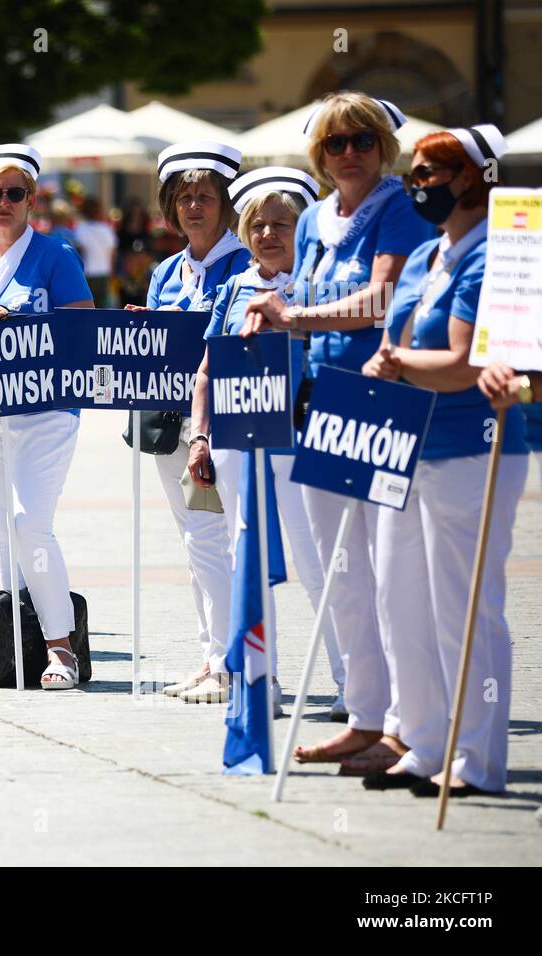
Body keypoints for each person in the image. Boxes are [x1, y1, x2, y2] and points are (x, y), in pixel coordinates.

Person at [244, 92, 436, 773]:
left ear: (384, 146)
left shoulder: (401, 210)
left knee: (393, 574)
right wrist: (268, 315)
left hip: (384, 399)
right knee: (339, 572)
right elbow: (306, 298)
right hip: (322, 402)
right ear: (317, 156)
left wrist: (294, 318)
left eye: (361, 140)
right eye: (334, 144)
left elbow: (382, 301)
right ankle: (363, 715)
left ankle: (412, 728)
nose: (348, 153)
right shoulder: (320, 215)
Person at [358, 125, 528, 796]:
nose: (417, 180)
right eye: (415, 170)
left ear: (471, 177)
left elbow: (462, 365)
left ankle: (478, 761)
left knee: (466, 608)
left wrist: (398, 363)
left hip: (469, 447)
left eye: (433, 170)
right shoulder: (430, 252)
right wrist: (388, 360)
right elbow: (394, 339)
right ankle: (425, 742)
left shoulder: (495, 255)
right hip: (403, 444)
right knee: (400, 599)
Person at [186, 166, 342, 716]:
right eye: (258, 224)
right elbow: (207, 369)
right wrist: (199, 437)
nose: (269, 234)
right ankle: (260, 680)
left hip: (302, 445)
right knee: (246, 562)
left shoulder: (322, 289)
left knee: (319, 562)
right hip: (236, 444)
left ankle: (355, 687)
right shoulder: (232, 287)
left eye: (282, 224)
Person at [0, 144, 95, 688]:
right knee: (0, 532)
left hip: (46, 410)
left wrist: (21, 326)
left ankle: (63, 650)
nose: (4, 202)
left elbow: (82, 329)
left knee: (29, 524)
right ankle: (19, 637)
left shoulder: (56, 256)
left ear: (31, 199)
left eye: (15, 192)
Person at [132, 139, 250, 705]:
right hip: (168, 420)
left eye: (205, 196)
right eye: (183, 198)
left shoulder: (244, 263)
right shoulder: (166, 270)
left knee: (214, 538)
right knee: (193, 539)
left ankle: (232, 663)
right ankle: (212, 657)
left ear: (226, 203)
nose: (194, 207)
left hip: (221, 423)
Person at [74, 196, 117, 307]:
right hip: (104, 272)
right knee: (103, 309)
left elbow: (80, 253)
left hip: (88, 273)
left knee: (88, 308)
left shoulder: (81, 228)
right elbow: (112, 253)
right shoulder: (106, 229)